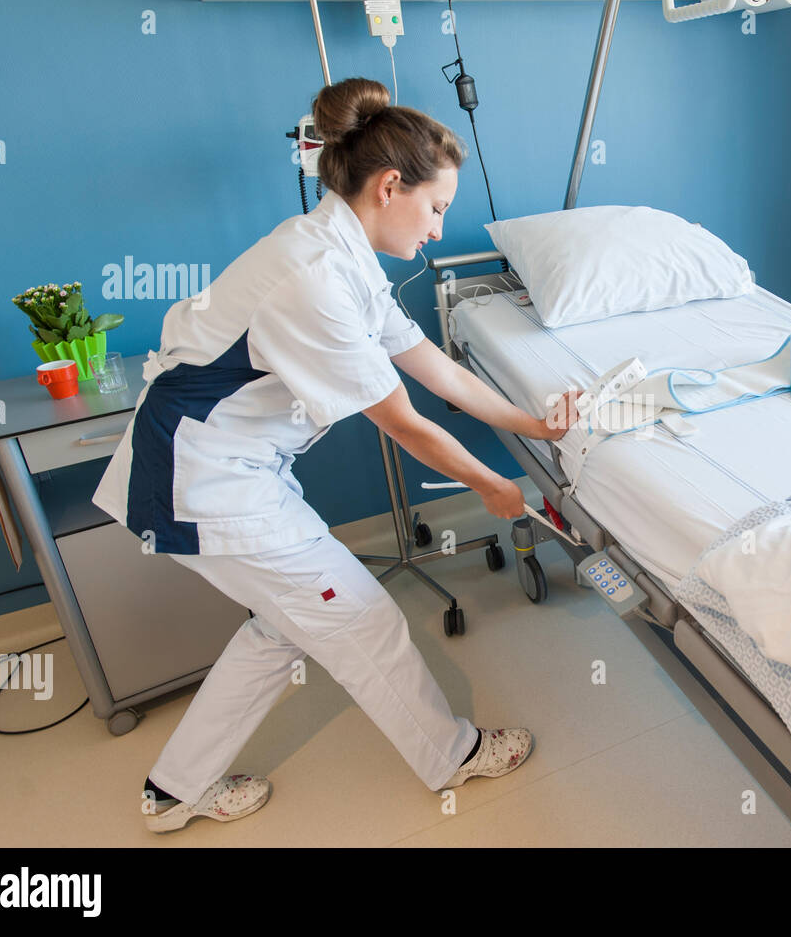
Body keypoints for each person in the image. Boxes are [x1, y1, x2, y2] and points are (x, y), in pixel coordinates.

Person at [92, 77, 582, 832]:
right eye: (437, 208)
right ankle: (450, 756)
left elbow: (438, 369)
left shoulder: (342, 257)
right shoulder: (314, 279)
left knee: (281, 626)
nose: (438, 230)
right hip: (207, 483)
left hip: (229, 471)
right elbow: (409, 424)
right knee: (362, 620)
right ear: (391, 186)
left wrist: (537, 428)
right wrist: (495, 486)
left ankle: (173, 791)